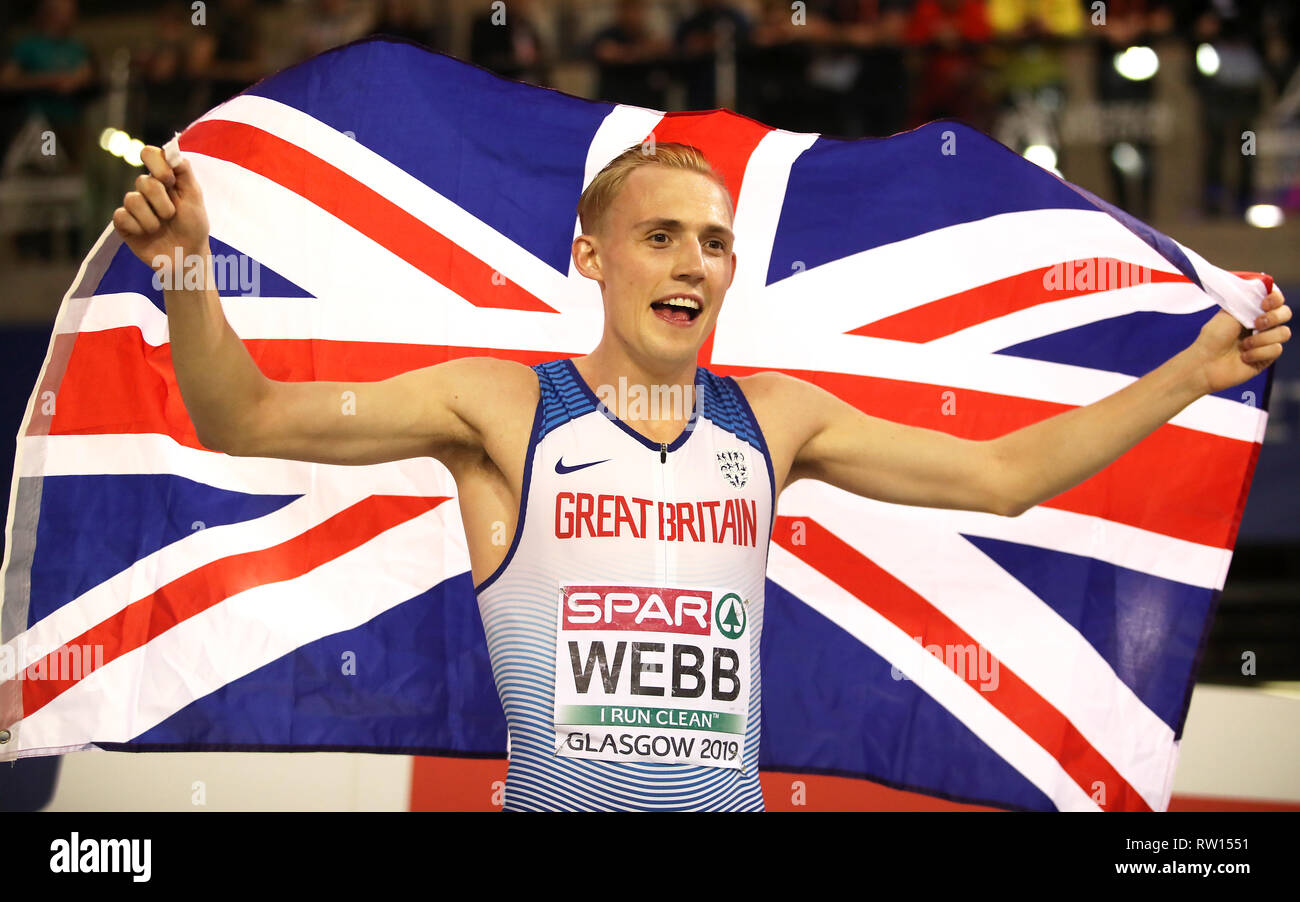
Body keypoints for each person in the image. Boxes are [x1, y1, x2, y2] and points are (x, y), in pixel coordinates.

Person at [111, 140, 1290, 811]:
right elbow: (244, 414)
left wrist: (1192, 372)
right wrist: (184, 270)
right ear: (592, 254)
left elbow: (1001, 477)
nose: (692, 262)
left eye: (714, 240)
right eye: (660, 234)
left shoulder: (773, 421)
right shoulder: (498, 405)